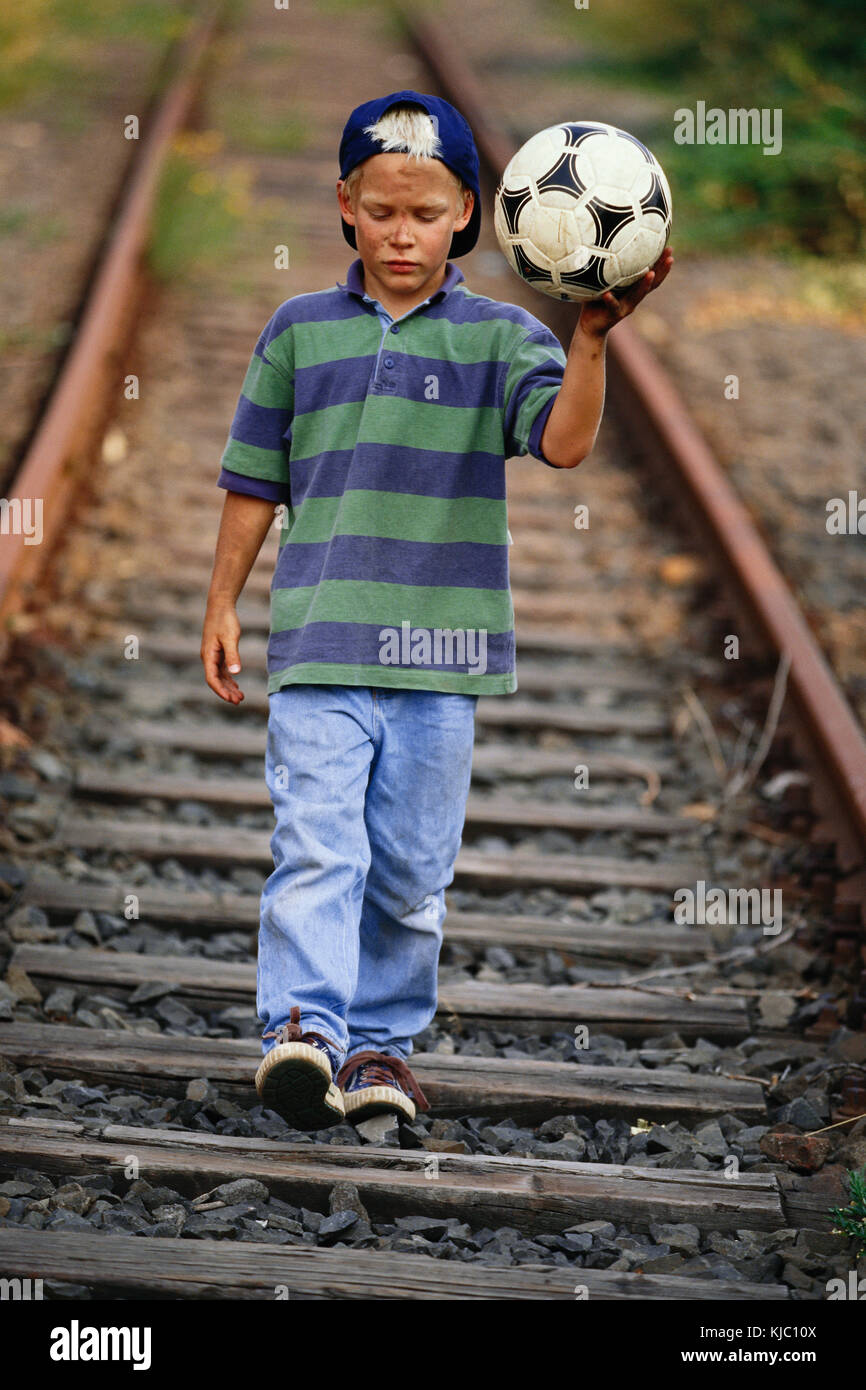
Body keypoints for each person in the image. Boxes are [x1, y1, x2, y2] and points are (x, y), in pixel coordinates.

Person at [200, 90, 672, 1131]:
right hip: (320, 644)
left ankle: (378, 1047)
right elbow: (251, 478)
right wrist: (222, 602)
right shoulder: (297, 333)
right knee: (318, 847)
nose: (398, 234)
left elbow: (559, 443)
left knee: (410, 873)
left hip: (442, 667)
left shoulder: (501, 340)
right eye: (378, 212)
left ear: (466, 211)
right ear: (343, 206)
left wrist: (587, 339)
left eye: (421, 213)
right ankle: (305, 1030)